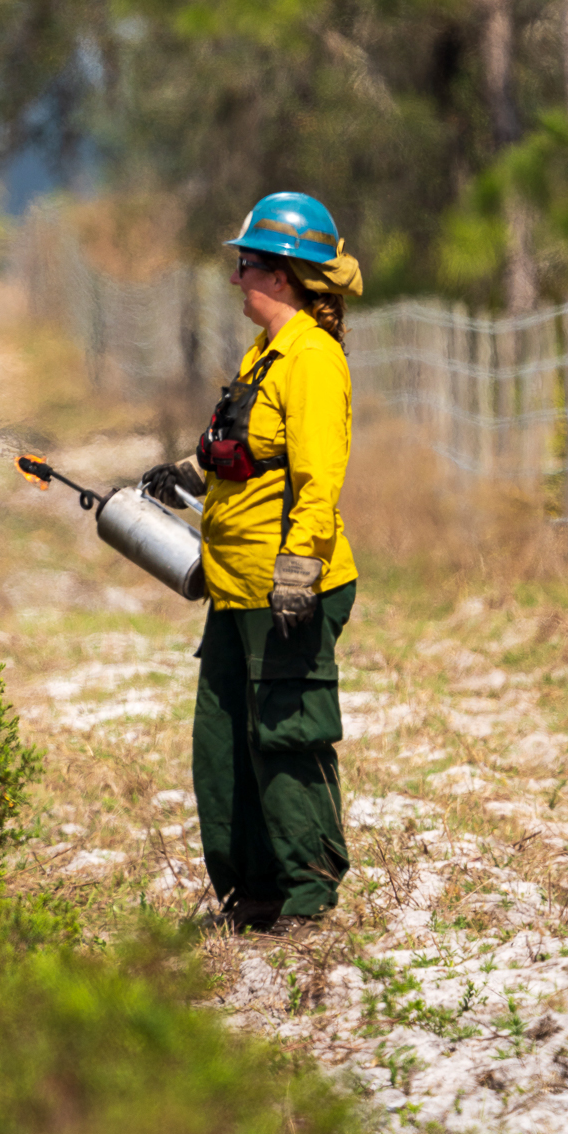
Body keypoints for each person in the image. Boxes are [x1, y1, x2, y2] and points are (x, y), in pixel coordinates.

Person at [143, 192, 363, 935]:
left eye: (246, 264)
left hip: (288, 587)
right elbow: (253, 452)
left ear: (282, 273)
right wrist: (188, 473)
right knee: (223, 739)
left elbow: (318, 479)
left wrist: (298, 568)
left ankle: (307, 897)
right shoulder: (263, 355)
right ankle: (253, 892)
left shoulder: (313, 360)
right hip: (235, 590)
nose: (236, 278)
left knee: (286, 738)